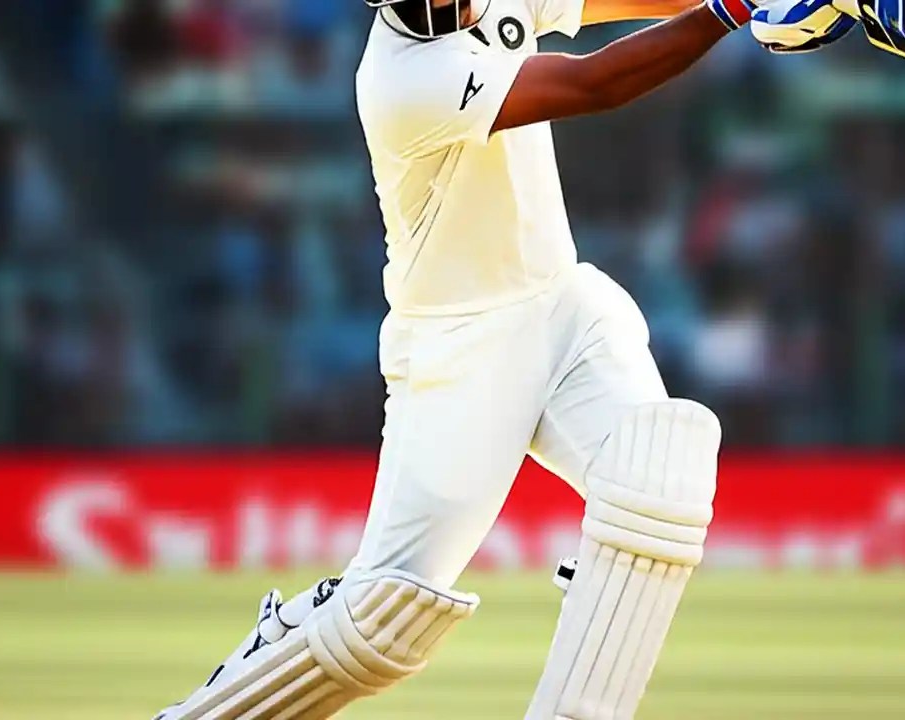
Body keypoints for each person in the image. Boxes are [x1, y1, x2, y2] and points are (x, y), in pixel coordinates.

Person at [155, 1, 854, 718]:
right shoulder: (403, 78)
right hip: (462, 351)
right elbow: (592, 85)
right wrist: (731, 11)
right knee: (383, 619)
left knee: (660, 479)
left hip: (563, 304)